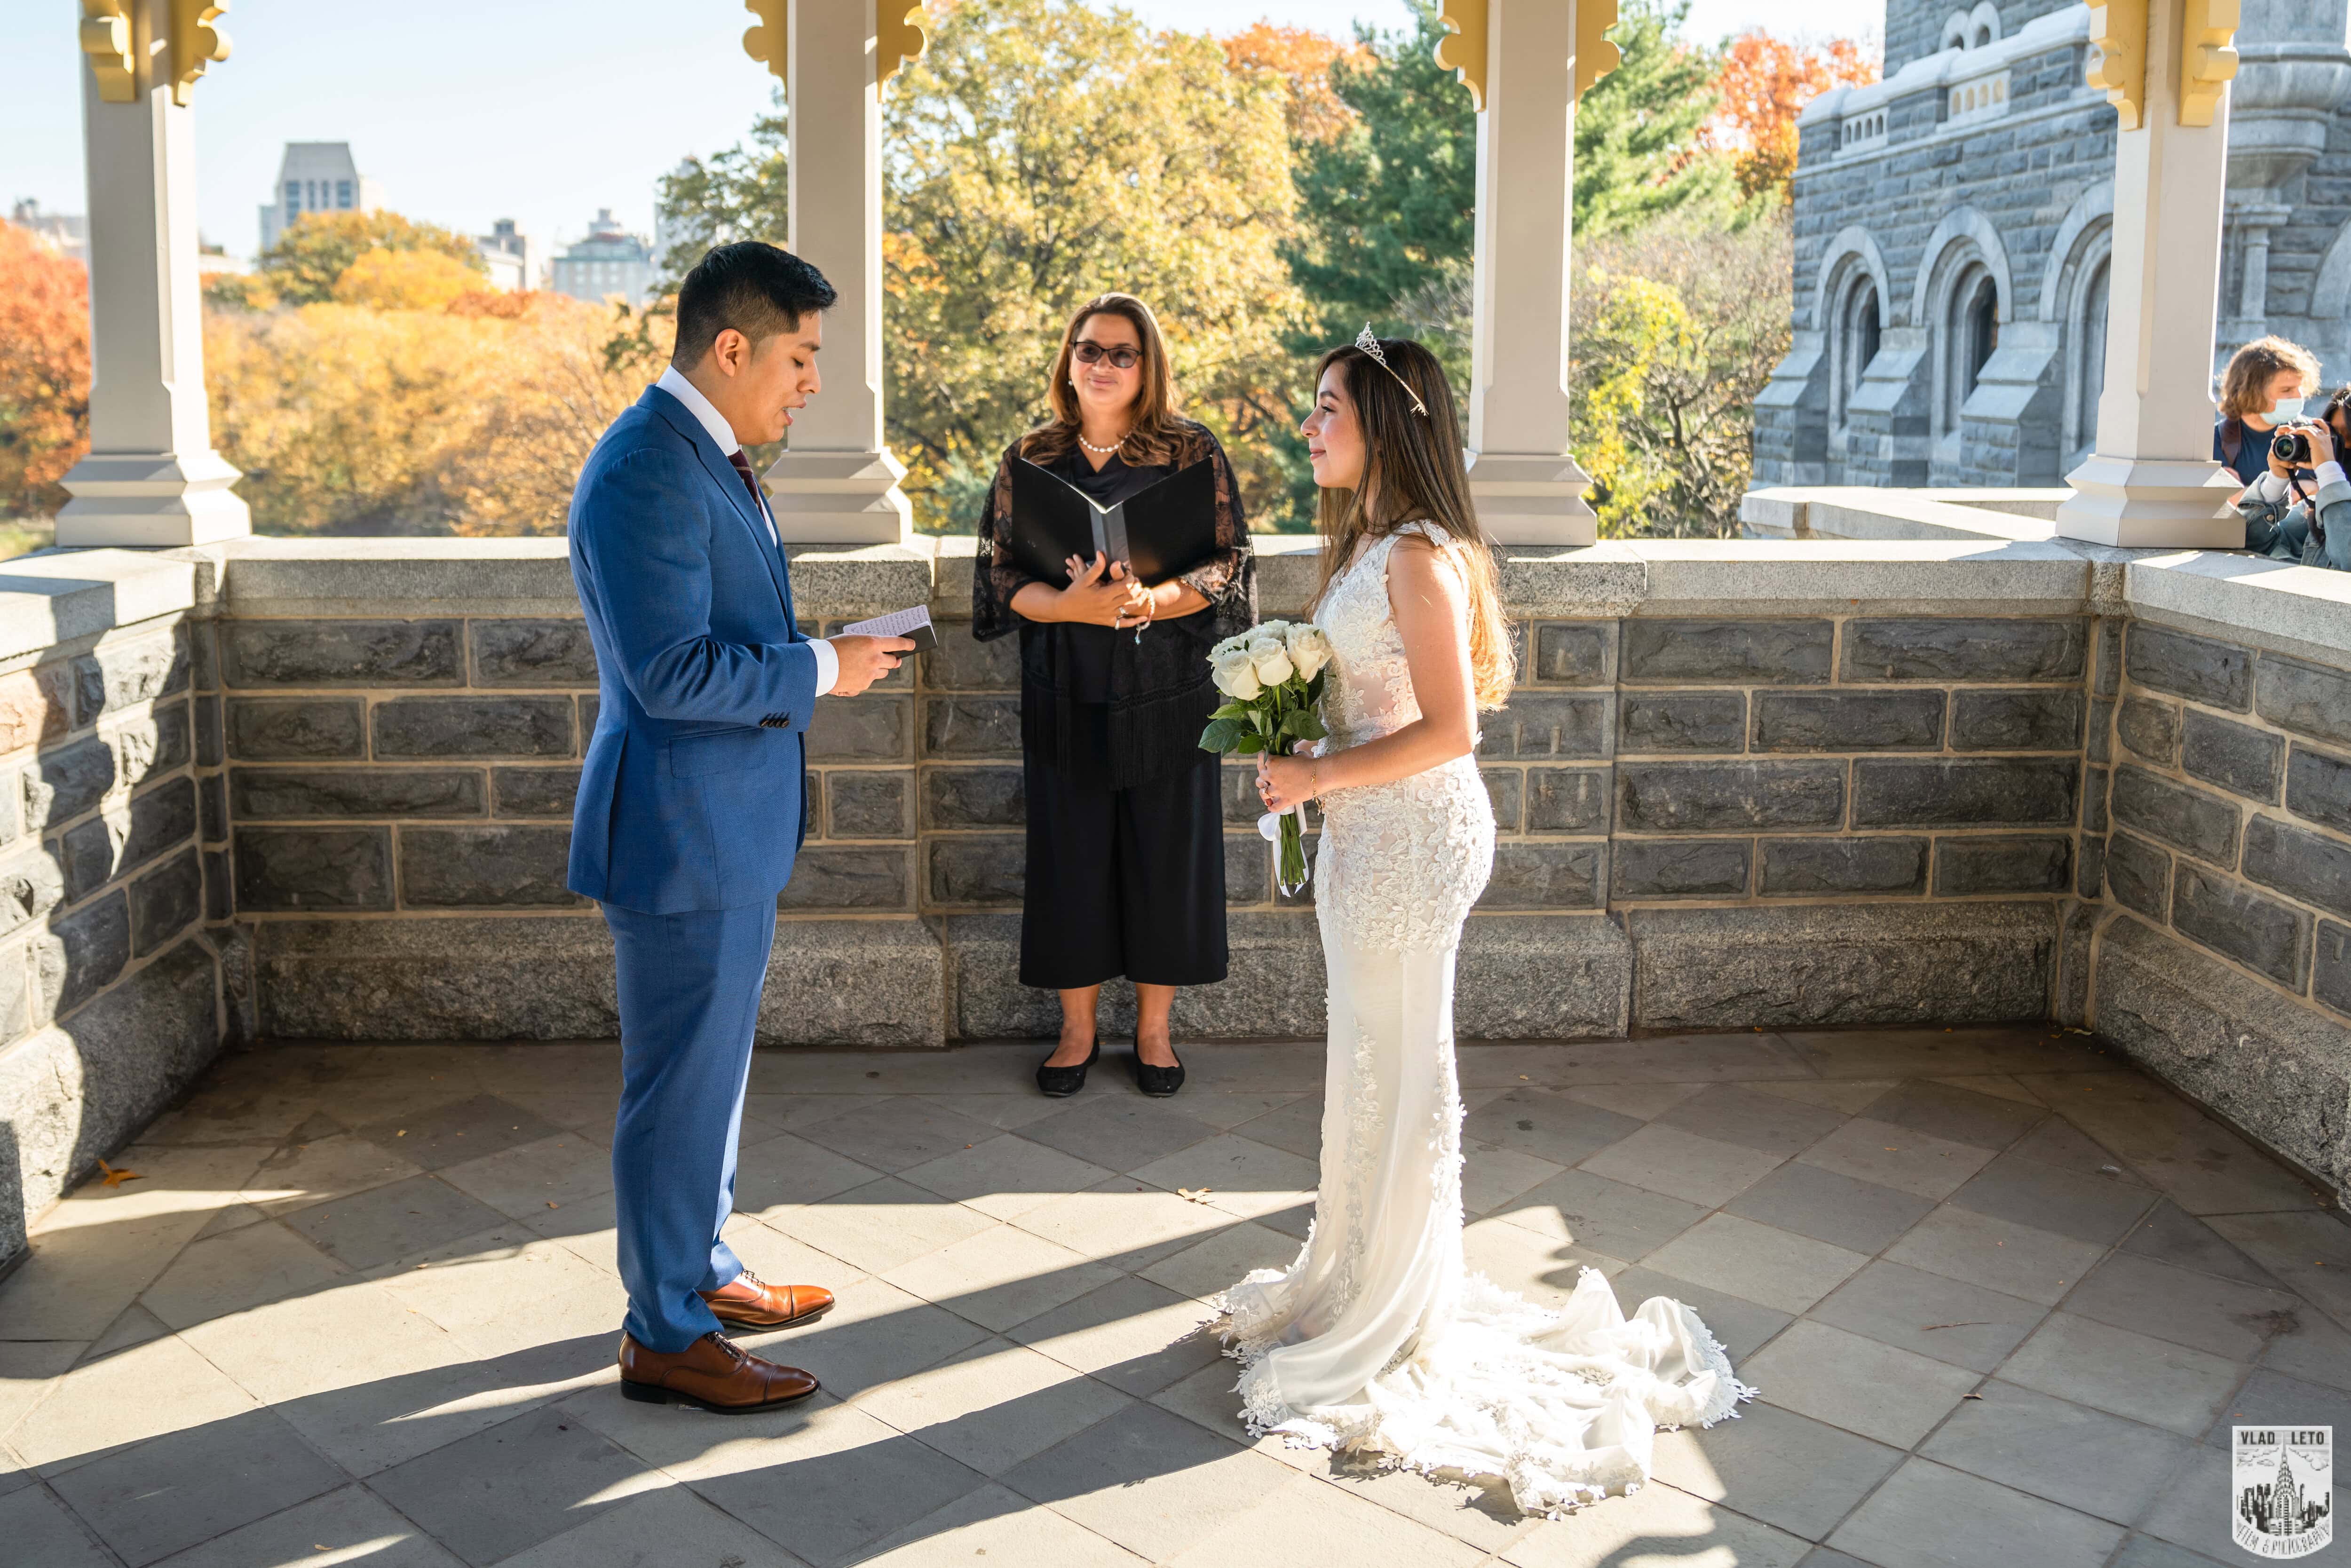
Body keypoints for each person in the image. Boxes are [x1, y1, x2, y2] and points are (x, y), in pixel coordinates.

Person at [1222, 332, 1750, 1517]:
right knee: (1372, 1059)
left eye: (1327, 411)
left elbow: (1453, 730)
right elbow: (1382, 708)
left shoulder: (1414, 557)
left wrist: (1316, 783)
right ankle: (1357, 1272)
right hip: (1374, 828)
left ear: (1388, 425)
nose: (1309, 429)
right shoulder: (1371, 543)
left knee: (1404, 1065)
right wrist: (1313, 754)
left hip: (1414, 838)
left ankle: (1396, 1307)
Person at [566, 242, 914, 1412]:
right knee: (677, 1092)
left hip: (724, 831)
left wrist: (823, 656)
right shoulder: (644, 471)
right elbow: (669, 672)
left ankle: (703, 1274)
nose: (812, 381)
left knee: (709, 1080)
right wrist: (826, 663)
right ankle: (664, 1332)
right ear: (731, 349)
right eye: (802, 356)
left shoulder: (702, 454)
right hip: (681, 836)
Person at [972, 294, 1255, 1099]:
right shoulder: (1030, 456)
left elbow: (1228, 564)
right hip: (1066, 688)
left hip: (1167, 686)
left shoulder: (1189, 450)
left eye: (1120, 353)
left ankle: (1155, 1031)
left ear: (1147, 364)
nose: (1101, 365)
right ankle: (1076, 1029)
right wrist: (1067, 606)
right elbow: (995, 573)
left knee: (1165, 856)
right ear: (1067, 358)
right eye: (1087, 350)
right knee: (1070, 859)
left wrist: (1153, 600)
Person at [2237, 386, 2351, 571]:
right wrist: (2277, 480)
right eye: (2333, 436)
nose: (2336, 447)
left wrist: (2329, 471)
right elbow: (2251, 546)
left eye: (2348, 436)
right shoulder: (2314, 512)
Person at [2215, 336, 2321, 495]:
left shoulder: (2314, 434)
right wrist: (2302, 489)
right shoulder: (2215, 440)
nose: (2298, 397)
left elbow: (2332, 492)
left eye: (2299, 388)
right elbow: (2217, 501)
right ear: (2252, 392)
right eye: (2287, 390)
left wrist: (2247, 493)